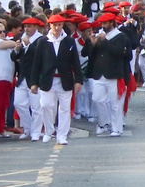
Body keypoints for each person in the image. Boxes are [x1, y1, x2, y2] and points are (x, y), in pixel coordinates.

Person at [21, 15, 84, 144]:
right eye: (54, 25)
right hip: (47, 80)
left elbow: (75, 63)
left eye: (59, 25)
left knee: (64, 108)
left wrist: (78, 80)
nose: (57, 27)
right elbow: (37, 63)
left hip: (65, 80)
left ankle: (62, 135)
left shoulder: (69, 41)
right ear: (49, 25)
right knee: (46, 105)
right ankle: (49, 130)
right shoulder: (43, 42)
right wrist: (34, 83)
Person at [85, 10, 134, 136]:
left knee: (115, 103)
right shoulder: (100, 36)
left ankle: (116, 128)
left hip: (114, 74)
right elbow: (91, 56)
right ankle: (104, 122)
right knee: (97, 99)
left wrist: (105, 41)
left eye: (106, 23)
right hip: (99, 74)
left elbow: (118, 52)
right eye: (102, 23)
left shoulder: (120, 36)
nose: (103, 26)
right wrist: (93, 44)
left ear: (112, 23)